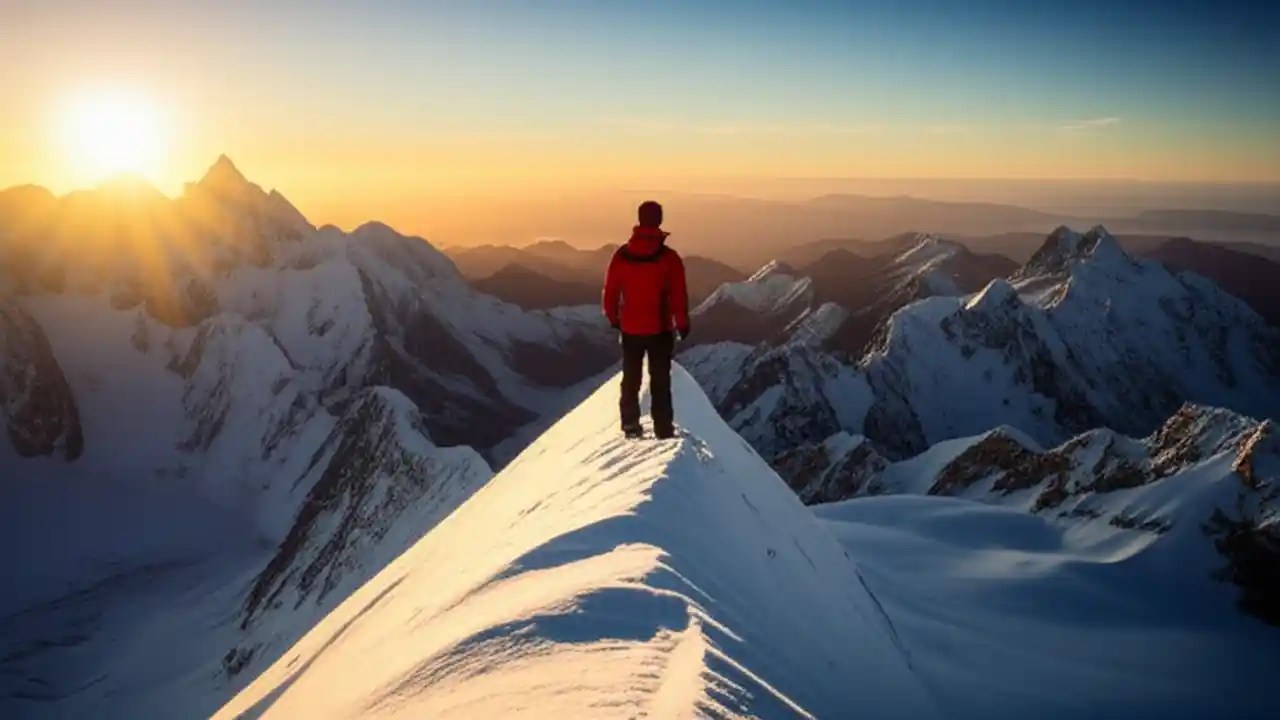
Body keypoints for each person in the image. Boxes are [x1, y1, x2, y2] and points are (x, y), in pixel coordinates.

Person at [601, 200, 690, 439]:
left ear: (640, 220)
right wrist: (682, 323)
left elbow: (610, 290)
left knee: (631, 378)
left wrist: (613, 317)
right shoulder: (669, 258)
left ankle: (630, 424)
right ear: (659, 220)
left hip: (630, 329)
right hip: (660, 329)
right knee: (660, 380)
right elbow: (678, 294)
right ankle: (663, 428)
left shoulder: (622, 255)